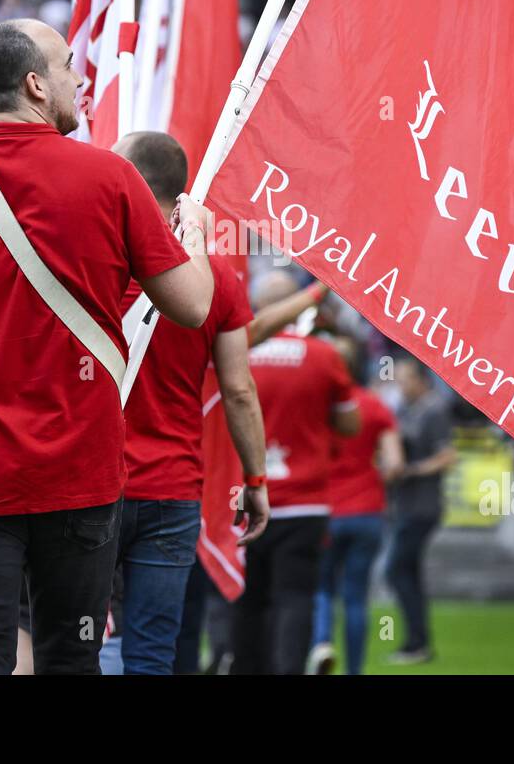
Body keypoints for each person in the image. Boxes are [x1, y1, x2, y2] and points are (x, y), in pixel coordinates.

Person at [0, 19, 215, 675]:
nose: (79, 78)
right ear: (35, 84)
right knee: (69, 655)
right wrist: (195, 236)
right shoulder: (113, 179)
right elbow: (191, 306)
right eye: (69, 65)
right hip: (79, 476)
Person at [108, 131, 270, 674]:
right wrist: (256, 482)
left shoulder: (97, 263)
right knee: (154, 651)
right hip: (172, 490)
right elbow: (239, 390)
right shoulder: (217, 277)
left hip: (92, 483)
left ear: (128, 179)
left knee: (86, 638)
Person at [232, 271, 360, 675]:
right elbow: (350, 423)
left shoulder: (236, 352)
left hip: (244, 499)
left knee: (247, 598)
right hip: (305, 503)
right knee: (295, 597)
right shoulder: (325, 356)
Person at [308, 334, 403, 675]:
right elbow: (395, 464)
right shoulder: (376, 406)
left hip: (325, 512)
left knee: (320, 588)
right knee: (355, 595)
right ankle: (354, 670)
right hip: (367, 513)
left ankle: (321, 644)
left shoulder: (316, 404)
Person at [384, 357, 455, 665]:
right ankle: (418, 643)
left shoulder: (434, 410)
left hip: (423, 506)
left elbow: (448, 457)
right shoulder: (405, 410)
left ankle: (417, 642)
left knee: (396, 570)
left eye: (406, 380)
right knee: (408, 573)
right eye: (398, 381)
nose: (401, 386)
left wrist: (412, 470)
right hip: (407, 504)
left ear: (422, 380)